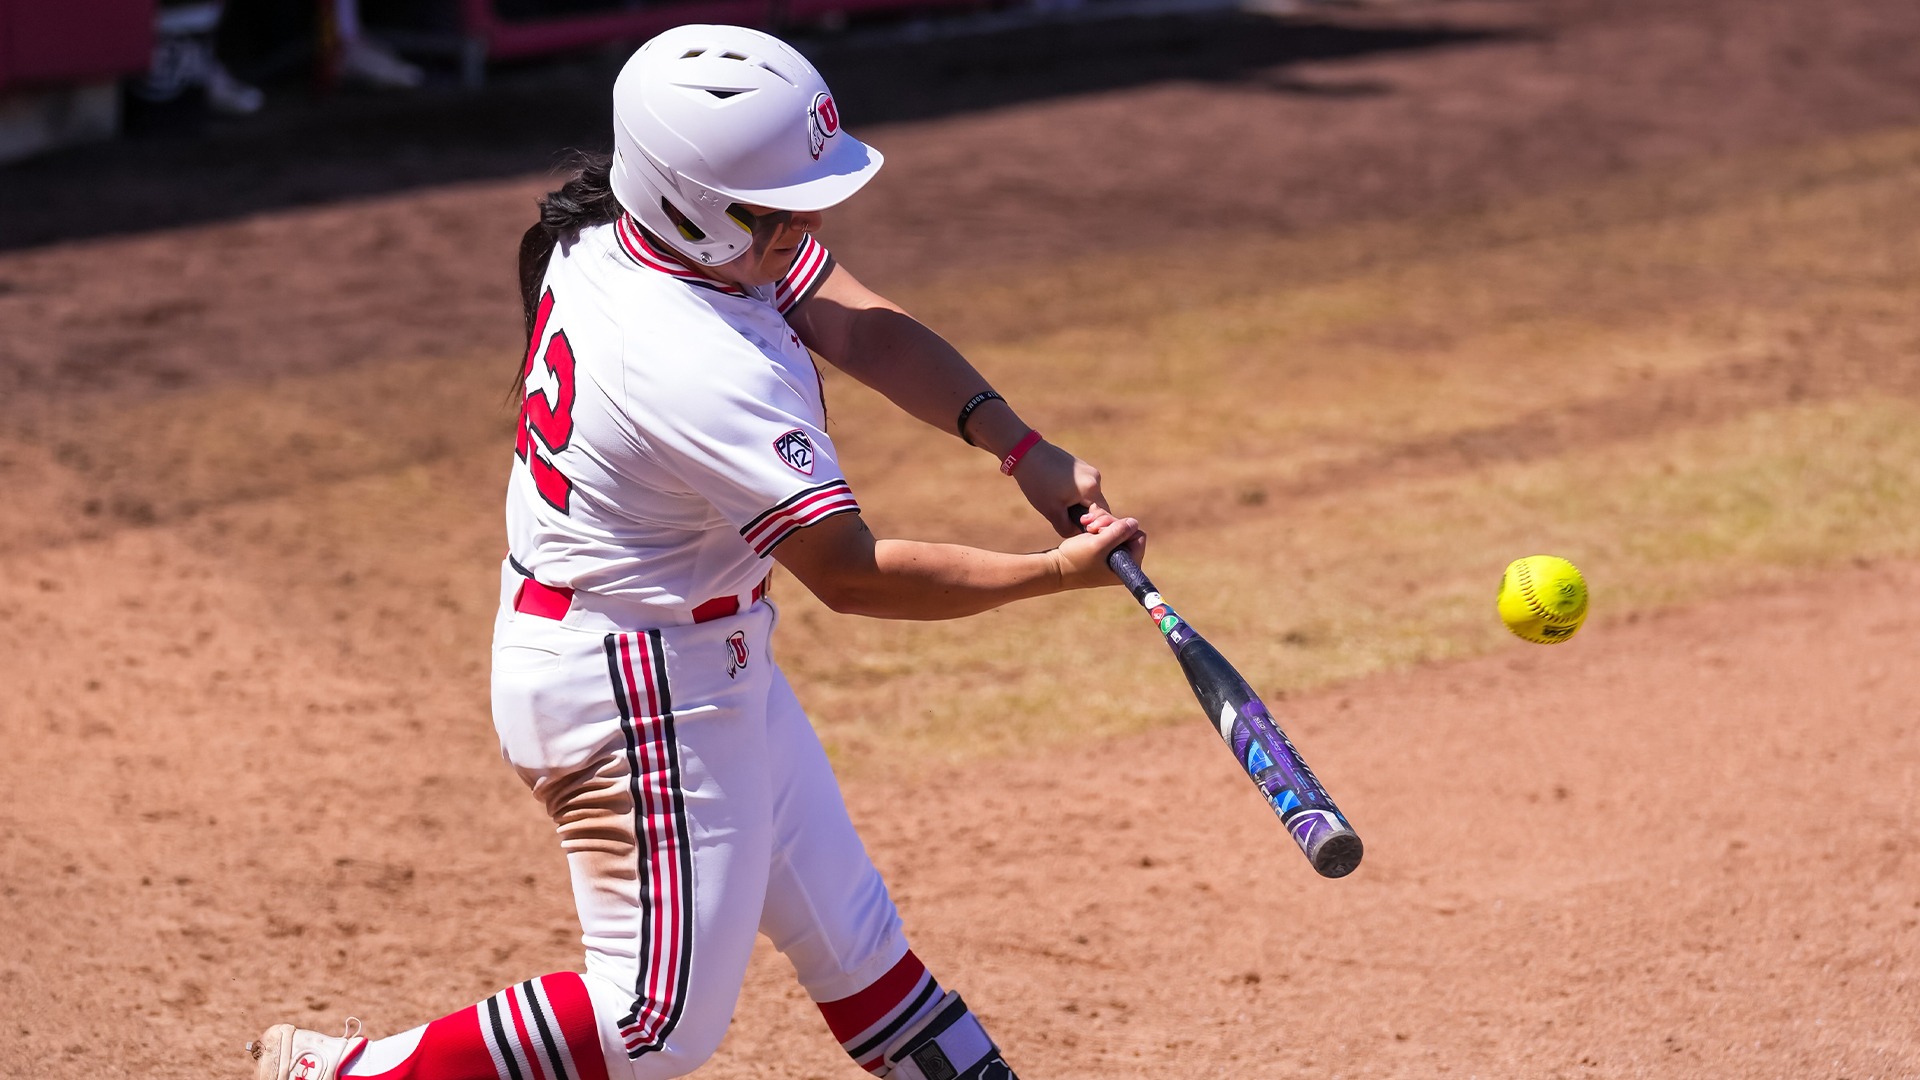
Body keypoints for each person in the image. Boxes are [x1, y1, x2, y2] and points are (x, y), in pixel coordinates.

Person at [246, 23, 1142, 1080]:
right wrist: (1048, 578)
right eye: (783, 207)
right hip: (630, 680)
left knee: (860, 949)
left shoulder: (637, 232)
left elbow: (860, 327)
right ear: (699, 204)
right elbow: (850, 575)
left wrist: (1019, 447)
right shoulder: (691, 359)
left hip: (693, 655)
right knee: (654, 1024)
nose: (808, 223)